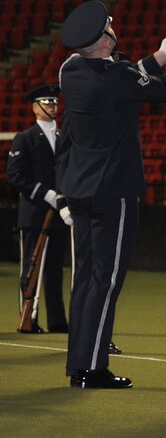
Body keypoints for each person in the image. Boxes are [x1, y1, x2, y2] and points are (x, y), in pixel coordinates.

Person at [56, 0, 166, 389]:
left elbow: (126, 75)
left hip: (80, 188)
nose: (114, 27)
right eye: (110, 26)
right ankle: (92, 368)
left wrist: (157, 56)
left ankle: (78, 362)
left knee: (85, 279)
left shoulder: (71, 71)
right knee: (107, 279)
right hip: (113, 190)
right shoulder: (115, 78)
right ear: (104, 41)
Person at [7, 84, 71, 334]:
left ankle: (57, 319)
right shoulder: (25, 138)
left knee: (55, 270)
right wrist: (45, 193)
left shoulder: (64, 136)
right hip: (35, 213)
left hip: (59, 212)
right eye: (46, 102)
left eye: (54, 102)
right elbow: (16, 176)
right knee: (32, 267)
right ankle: (29, 317)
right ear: (35, 107)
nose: (52, 106)